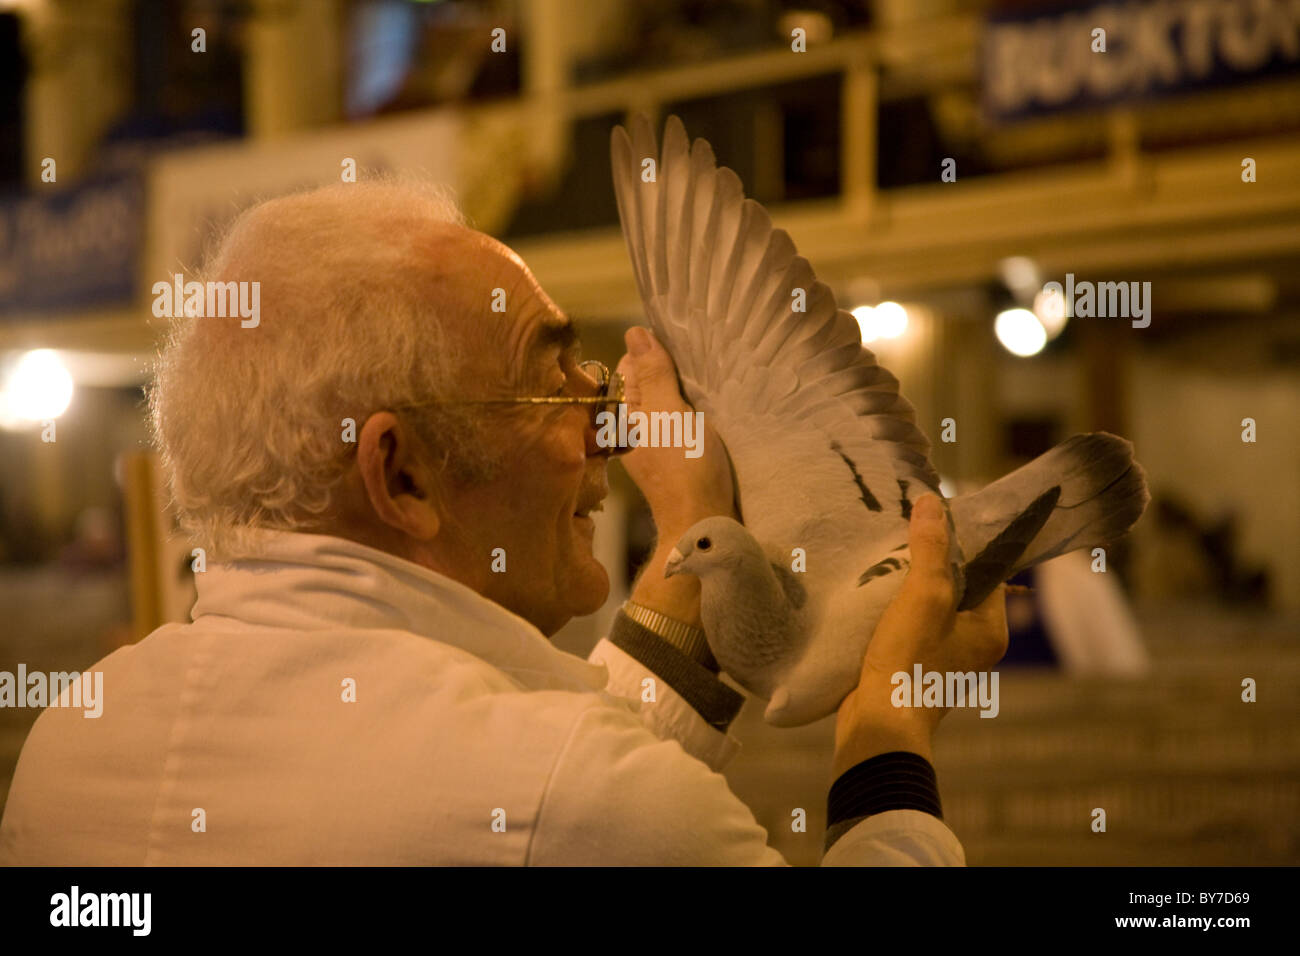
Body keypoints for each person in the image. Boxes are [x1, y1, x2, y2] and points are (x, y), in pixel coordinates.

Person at [0, 180, 1006, 865]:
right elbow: (558, 797)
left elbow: (511, 768)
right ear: (399, 474)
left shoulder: (71, 744)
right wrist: (885, 729)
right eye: (548, 379)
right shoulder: (582, 801)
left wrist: (699, 528)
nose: (605, 425)